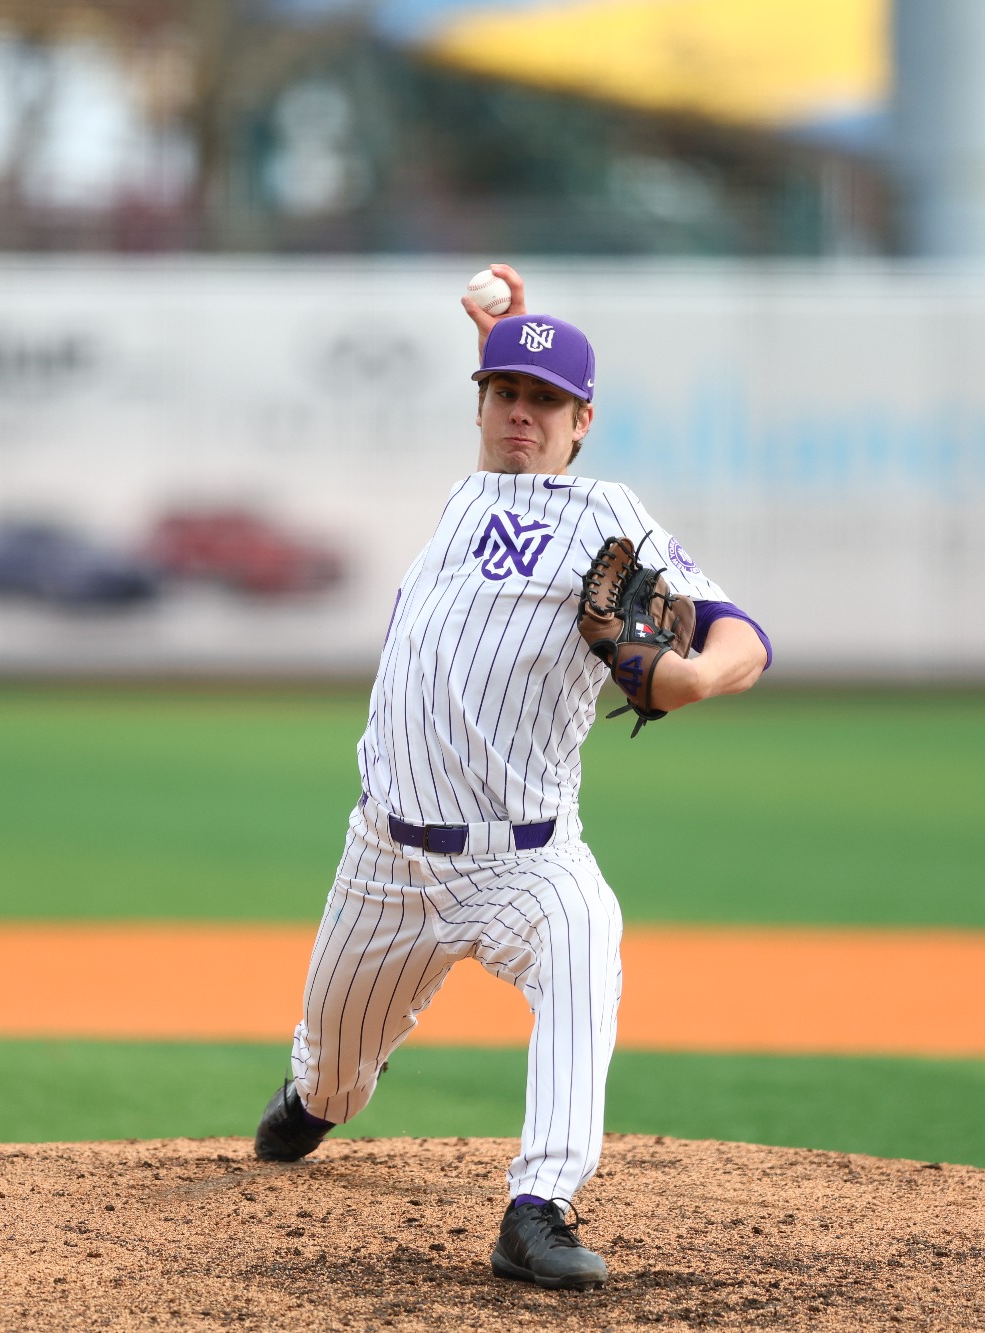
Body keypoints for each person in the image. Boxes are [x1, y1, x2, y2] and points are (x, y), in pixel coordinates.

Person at [253, 263, 770, 1290]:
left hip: (525, 861)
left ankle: (538, 1207)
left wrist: (694, 677)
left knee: (588, 948)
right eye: (504, 396)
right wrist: (512, 333)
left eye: (545, 403)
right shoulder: (467, 494)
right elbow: (516, 390)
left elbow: (738, 633)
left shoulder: (603, 516)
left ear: (584, 423)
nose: (520, 416)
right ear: (481, 406)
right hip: (385, 861)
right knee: (332, 1074)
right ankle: (315, 1096)